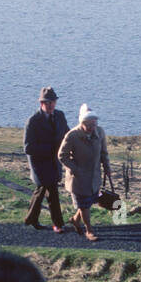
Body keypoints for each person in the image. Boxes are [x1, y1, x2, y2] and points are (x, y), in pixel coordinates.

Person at [57, 103, 112, 241]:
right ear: (82, 123)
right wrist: (75, 169)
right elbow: (62, 155)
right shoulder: (72, 136)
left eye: (94, 124)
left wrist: (107, 168)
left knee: (87, 203)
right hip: (78, 179)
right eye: (89, 125)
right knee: (84, 205)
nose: (92, 128)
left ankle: (75, 220)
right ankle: (89, 231)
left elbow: (104, 153)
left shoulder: (99, 132)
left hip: (93, 177)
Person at [23, 86, 68, 232]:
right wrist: (49, 150)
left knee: (41, 191)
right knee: (52, 191)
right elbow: (28, 147)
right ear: (41, 103)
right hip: (39, 164)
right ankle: (58, 224)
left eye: (53, 102)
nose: (51, 105)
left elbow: (67, 135)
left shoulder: (60, 116)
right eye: (47, 103)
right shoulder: (33, 121)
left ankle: (31, 218)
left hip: (54, 162)